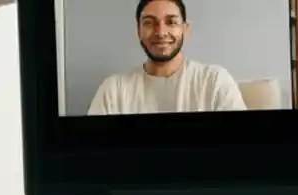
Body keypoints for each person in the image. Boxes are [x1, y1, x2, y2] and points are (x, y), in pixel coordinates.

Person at [88, 0, 246, 115]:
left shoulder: (215, 81)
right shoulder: (113, 90)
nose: (161, 32)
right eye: (149, 23)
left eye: (171, 22)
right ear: (138, 31)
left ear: (185, 29)